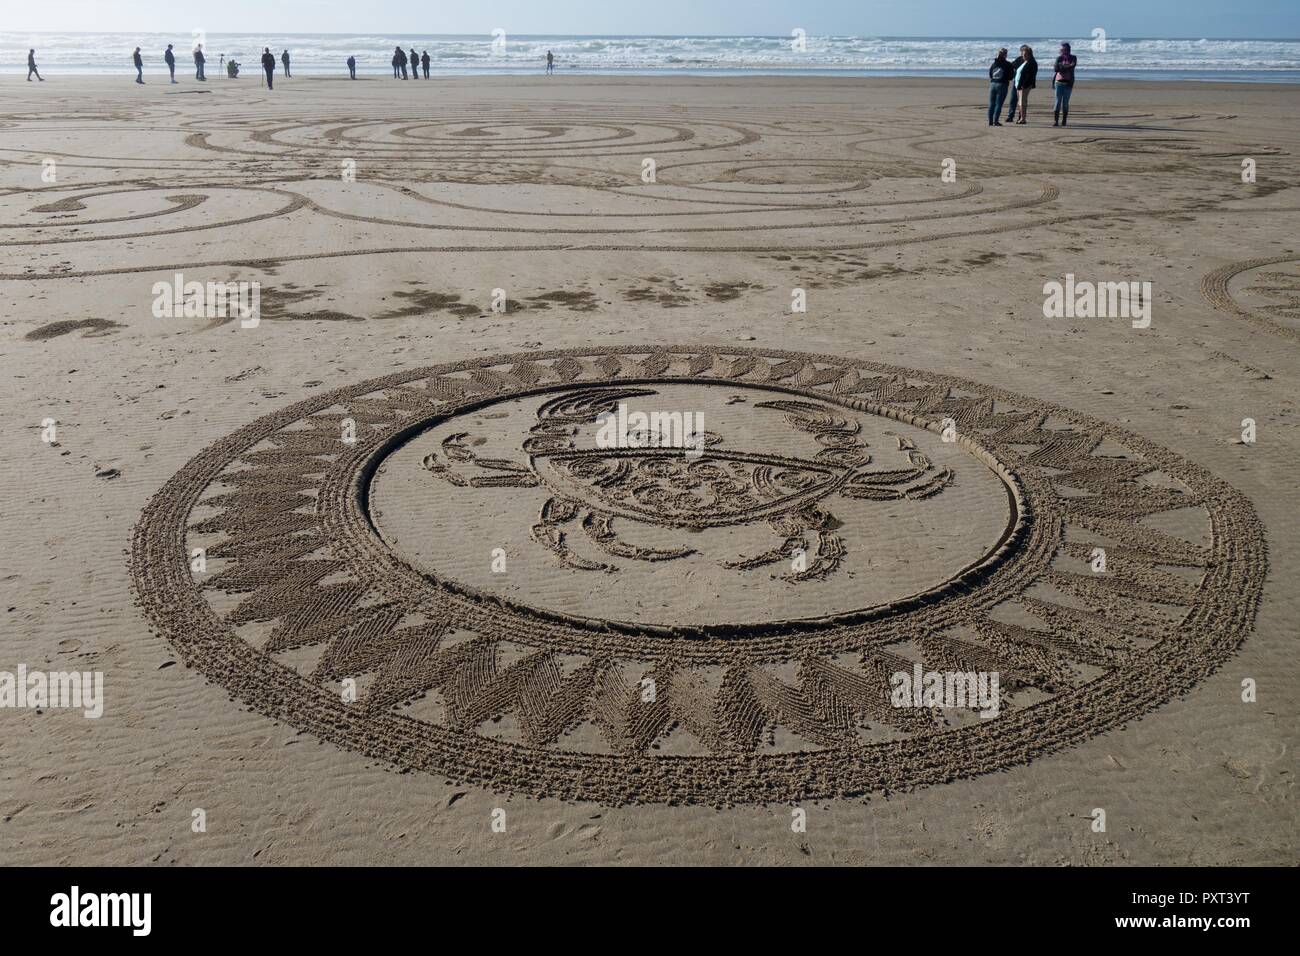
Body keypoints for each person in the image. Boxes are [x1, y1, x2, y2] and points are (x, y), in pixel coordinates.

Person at [1005, 45, 1037, 125]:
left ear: (1029, 54)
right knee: (1015, 100)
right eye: (1022, 52)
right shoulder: (1020, 59)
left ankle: (1021, 118)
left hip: (1023, 85)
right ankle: (1011, 116)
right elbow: (1011, 66)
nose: (1022, 55)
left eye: (1024, 53)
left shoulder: (1032, 62)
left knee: (1022, 102)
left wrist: (1024, 84)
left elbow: (1030, 75)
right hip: (1017, 83)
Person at [1052, 42, 1078, 127]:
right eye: (1062, 49)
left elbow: (1072, 66)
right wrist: (1066, 66)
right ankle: (1056, 121)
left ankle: (1064, 121)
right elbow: (1056, 69)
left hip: (1068, 83)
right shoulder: (1059, 58)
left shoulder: (1073, 57)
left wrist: (1062, 66)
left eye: (1064, 49)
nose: (1062, 50)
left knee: (1065, 102)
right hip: (1058, 82)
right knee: (1057, 101)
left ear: (1068, 49)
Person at [987, 48, 1012, 127]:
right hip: (1002, 84)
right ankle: (996, 121)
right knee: (998, 104)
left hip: (993, 84)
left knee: (991, 104)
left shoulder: (994, 64)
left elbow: (990, 74)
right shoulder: (1007, 64)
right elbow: (1011, 76)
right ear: (1005, 55)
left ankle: (990, 121)